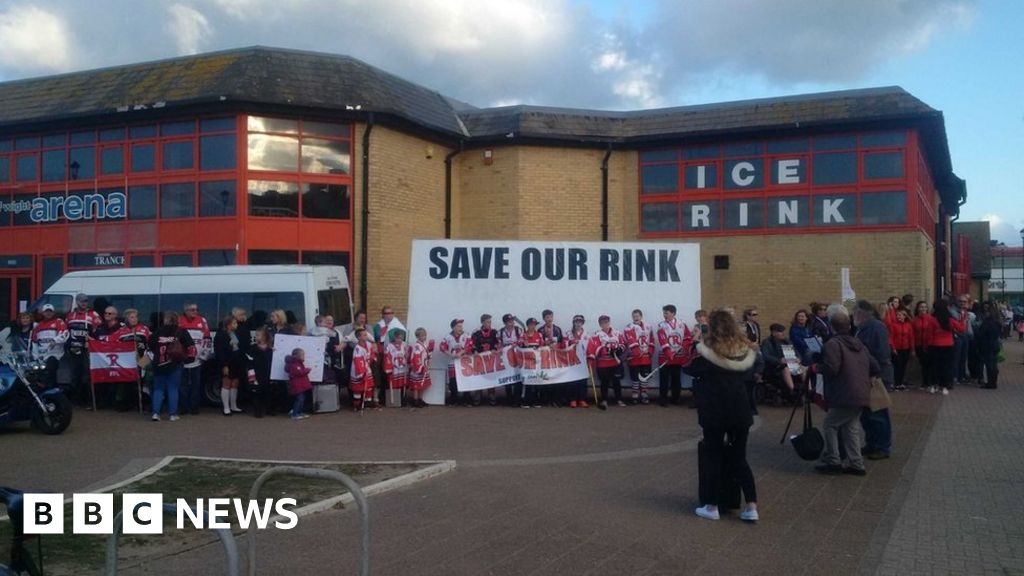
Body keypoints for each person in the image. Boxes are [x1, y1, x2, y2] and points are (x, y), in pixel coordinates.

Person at [682, 309, 759, 522]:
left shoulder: (707, 351)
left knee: (713, 456)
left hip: (715, 410)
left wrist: (696, 342)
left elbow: (688, 368)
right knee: (739, 456)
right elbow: (751, 372)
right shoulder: (744, 350)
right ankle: (751, 506)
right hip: (740, 409)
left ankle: (712, 505)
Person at [815, 311, 878, 476]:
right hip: (861, 392)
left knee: (830, 425)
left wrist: (816, 368)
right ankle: (856, 463)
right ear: (849, 326)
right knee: (851, 428)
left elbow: (832, 368)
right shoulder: (859, 343)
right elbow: (875, 365)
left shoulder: (833, 344)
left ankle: (833, 461)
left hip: (844, 393)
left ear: (831, 327)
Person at [852, 300, 894, 461]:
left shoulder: (876, 327)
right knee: (867, 414)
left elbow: (882, 353)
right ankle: (872, 443)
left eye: (855, 311)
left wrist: (874, 373)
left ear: (861, 313)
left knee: (878, 413)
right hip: (866, 375)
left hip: (876, 375)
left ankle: (882, 446)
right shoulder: (863, 328)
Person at [148, 311, 195, 422]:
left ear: (165, 320)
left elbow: (150, 345)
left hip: (159, 363)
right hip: (175, 363)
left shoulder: (157, 332)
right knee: (173, 389)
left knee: (158, 389)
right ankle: (172, 414)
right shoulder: (181, 331)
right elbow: (191, 346)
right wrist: (188, 359)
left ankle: (155, 413)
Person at [65, 293, 101, 407]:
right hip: (74, 349)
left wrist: (91, 339)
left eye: (85, 300)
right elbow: (66, 332)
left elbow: (98, 332)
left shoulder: (93, 315)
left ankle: (87, 401)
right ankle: (75, 400)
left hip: (87, 350)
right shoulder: (70, 315)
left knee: (87, 375)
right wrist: (68, 346)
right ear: (77, 301)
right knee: (74, 376)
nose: (83, 303)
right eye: (81, 301)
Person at [178, 302, 212, 416]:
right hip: (182, 360)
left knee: (196, 385)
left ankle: (194, 407)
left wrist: (203, 357)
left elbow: (207, 339)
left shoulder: (202, 320)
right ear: (186, 310)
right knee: (182, 385)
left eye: (196, 309)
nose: (195, 312)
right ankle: (183, 407)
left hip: (197, 361)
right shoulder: (179, 321)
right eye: (192, 310)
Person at [114, 308, 151, 412]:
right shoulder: (121, 331)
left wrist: (145, 361)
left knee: (142, 383)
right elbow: (109, 341)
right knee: (127, 384)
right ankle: (127, 404)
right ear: (126, 319)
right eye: (132, 317)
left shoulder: (144, 329)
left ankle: (142, 404)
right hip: (126, 363)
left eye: (136, 317)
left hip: (143, 360)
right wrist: (91, 340)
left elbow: (151, 344)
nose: (134, 319)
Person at [657, 304, 692, 406]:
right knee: (664, 379)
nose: (664, 315)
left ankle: (675, 398)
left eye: (666, 313)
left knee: (676, 379)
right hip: (665, 357)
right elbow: (662, 340)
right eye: (664, 313)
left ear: (673, 313)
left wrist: (684, 347)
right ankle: (663, 399)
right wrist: (668, 352)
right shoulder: (661, 326)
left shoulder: (682, 324)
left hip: (678, 357)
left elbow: (687, 338)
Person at [587, 315, 625, 408]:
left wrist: (619, 349)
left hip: (615, 362)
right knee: (604, 382)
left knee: (616, 381)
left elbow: (623, 344)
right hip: (603, 363)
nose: (605, 324)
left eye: (606, 322)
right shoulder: (596, 334)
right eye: (603, 323)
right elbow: (594, 347)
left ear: (609, 322)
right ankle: (604, 400)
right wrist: (604, 350)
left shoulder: (617, 333)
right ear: (600, 324)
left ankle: (619, 399)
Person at [759, 323, 803, 401]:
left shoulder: (787, 341)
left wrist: (798, 358)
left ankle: (808, 390)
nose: (783, 334)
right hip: (775, 367)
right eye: (780, 332)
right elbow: (765, 356)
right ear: (773, 333)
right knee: (785, 369)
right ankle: (792, 390)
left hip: (791, 364)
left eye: (783, 331)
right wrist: (779, 360)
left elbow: (796, 352)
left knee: (804, 368)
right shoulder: (767, 342)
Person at [926, 300, 962, 395]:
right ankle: (945, 386)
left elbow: (929, 334)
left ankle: (934, 385)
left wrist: (927, 346)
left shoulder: (932, 319)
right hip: (948, 345)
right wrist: (963, 319)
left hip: (935, 345)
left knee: (934, 367)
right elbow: (961, 328)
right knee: (946, 367)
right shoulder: (950, 319)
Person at [93, 306, 125, 409]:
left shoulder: (122, 327)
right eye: (105, 313)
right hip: (102, 359)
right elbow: (95, 340)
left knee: (118, 381)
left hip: (118, 359)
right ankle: (102, 402)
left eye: (110, 313)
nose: (107, 315)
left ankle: (118, 402)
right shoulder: (100, 327)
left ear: (115, 315)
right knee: (103, 381)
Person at [30, 304, 69, 388]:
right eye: (46, 311)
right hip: (41, 357)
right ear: (43, 313)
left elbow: (65, 334)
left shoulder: (59, 322)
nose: (48, 313)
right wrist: (35, 357)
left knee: (51, 367)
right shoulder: (38, 326)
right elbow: (34, 342)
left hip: (55, 355)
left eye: (50, 311)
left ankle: (52, 389)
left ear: (53, 312)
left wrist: (55, 340)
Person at [214, 315, 246, 415]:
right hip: (227, 363)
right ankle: (226, 408)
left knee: (235, 384)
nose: (236, 325)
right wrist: (224, 365)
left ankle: (233, 406)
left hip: (236, 362)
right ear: (228, 325)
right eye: (234, 323)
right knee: (226, 384)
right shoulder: (221, 335)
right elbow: (220, 352)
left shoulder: (234, 334)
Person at [623, 309, 655, 404]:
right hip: (634, 358)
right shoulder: (629, 327)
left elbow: (652, 340)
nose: (635, 318)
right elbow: (630, 340)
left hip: (645, 358)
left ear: (641, 316)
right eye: (634, 316)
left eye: (637, 316)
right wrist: (637, 352)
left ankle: (644, 394)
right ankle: (635, 394)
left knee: (644, 377)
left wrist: (650, 351)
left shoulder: (648, 327)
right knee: (635, 378)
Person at [440, 318, 471, 406]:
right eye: (458, 326)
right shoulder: (448, 337)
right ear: (453, 327)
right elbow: (442, 347)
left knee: (466, 381)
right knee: (453, 382)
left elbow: (470, 346)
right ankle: (454, 399)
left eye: (461, 326)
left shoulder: (467, 335)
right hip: (452, 363)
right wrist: (450, 354)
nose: (460, 328)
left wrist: (461, 353)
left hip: (464, 363)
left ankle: (466, 399)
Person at [471, 314, 500, 406]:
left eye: (490, 321)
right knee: (479, 376)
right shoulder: (476, 332)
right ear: (482, 322)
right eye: (487, 321)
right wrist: (475, 351)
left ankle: (491, 395)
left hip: (490, 358)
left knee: (491, 376)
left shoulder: (495, 332)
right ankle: (478, 395)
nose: (489, 323)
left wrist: (494, 349)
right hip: (480, 358)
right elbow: (472, 343)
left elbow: (498, 342)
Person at [540, 309, 565, 406]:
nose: (549, 319)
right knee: (546, 378)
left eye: (551, 316)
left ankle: (556, 399)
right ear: (544, 319)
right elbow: (538, 343)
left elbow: (562, 342)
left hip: (556, 357)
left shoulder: (557, 329)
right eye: (547, 317)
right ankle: (546, 399)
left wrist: (557, 345)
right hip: (545, 358)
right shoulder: (540, 330)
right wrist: (544, 343)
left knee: (556, 378)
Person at [498, 314, 524, 406]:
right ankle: (509, 398)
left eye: (512, 321)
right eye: (509, 322)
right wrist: (500, 348)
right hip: (506, 357)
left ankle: (518, 399)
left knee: (518, 376)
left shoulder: (518, 330)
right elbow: (499, 343)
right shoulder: (500, 332)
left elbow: (522, 340)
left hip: (517, 356)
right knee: (507, 377)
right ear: (505, 323)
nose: (511, 323)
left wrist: (515, 344)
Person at [564, 315, 589, 408]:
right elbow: (564, 343)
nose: (578, 323)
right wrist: (571, 342)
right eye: (576, 322)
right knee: (572, 380)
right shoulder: (568, 333)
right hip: (572, 360)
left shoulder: (586, 333)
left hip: (583, 360)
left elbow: (589, 345)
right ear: (573, 323)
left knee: (583, 380)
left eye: (580, 322)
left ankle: (582, 399)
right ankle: (573, 399)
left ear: (582, 323)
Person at [975, 302, 1002, 389]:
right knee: (994, 364)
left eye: (986, 312)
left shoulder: (987, 323)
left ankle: (990, 383)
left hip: (987, 345)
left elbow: (980, 334)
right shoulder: (997, 322)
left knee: (989, 365)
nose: (985, 313)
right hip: (995, 344)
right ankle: (994, 382)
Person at [249, 328, 273, 418]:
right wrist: (251, 376)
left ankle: (269, 409)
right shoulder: (253, 348)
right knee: (256, 392)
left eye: (258, 335)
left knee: (268, 391)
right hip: (256, 373)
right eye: (256, 335)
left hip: (267, 372)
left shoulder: (270, 349)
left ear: (264, 337)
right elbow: (249, 362)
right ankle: (257, 411)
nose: (256, 336)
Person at [888, 308, 915, 391]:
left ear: (904, 316)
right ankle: (897, 383)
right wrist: (893, 348)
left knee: (903, 366)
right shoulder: (893, 325)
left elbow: (911, 337)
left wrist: (912, 349)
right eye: (897, 315)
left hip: (906, 349)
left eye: (900, 315)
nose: (898, 316)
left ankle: (901, 383)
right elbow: (891, 337)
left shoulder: (908, 325)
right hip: (897, 349)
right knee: (897, 366)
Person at [348, 328, 375, 410]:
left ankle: (368, 403)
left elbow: (372, 353)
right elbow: (358, 362)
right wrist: (361, 373)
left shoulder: (368, 344)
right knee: (358, 389)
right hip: (358, 370)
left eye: (366, 334)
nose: (366, 336)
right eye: (364, 335)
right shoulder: (357, 349)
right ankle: (357, 405)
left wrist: (372, 358)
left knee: (369, 387)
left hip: (367, 368)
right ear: (359, 337)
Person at [407, 328, 433, 408]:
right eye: (422, 336)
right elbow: (416, 357)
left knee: (423, 385)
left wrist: (430, 356)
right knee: (416, 386)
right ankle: (415, 400)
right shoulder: (417, 346)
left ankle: (420, 399)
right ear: (418, 337)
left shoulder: (424, 344)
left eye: (425, 335)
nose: (424, 337)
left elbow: (427, 354)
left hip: (424, 365)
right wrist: (420, 368)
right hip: (418, 367)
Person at [383, 329, 409, 406]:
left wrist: (407, 355)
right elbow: (387, 357)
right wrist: (388, 368)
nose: (400, 340)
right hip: (395, 369)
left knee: (403, 384)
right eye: (398, 338)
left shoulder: (405, 345)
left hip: (403, 369)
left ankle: (403, 398)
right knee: (395, 384)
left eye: (401, 338)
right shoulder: (389, 346)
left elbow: (408, 355)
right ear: (394, 337)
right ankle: (395, 399)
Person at [911, 301, 934, 390]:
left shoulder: (931, 319)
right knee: (923, 364)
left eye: (925, 307)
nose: (923, 309)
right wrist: (912, 349)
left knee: (930, 364)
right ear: (917, 308)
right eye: (921, 307)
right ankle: (925, 382)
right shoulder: (914, 320)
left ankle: (930, 382)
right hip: (919, 345)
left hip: (929, 345)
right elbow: (912, 335)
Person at [284, 348, 312, 420]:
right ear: (296, 356)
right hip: (297, 386)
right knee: (299, 399)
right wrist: (307, 370)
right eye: (302, 355)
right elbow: (299, 373)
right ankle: (295, 414)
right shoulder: (295, 364)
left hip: (300, 386)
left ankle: (299, 412)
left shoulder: (298, 363)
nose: (303, 356)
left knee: (301, 399)